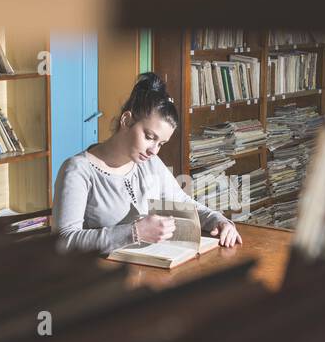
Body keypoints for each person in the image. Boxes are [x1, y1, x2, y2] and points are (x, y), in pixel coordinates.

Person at [52, 72, 242, 254]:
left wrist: (219, 221)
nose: (154, 150)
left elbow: (181, 202)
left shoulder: (149, 163)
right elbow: (63, 242)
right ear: (126, 121)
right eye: (149, 137)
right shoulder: (78, 170)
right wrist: (135, 232)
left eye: (161, 143)